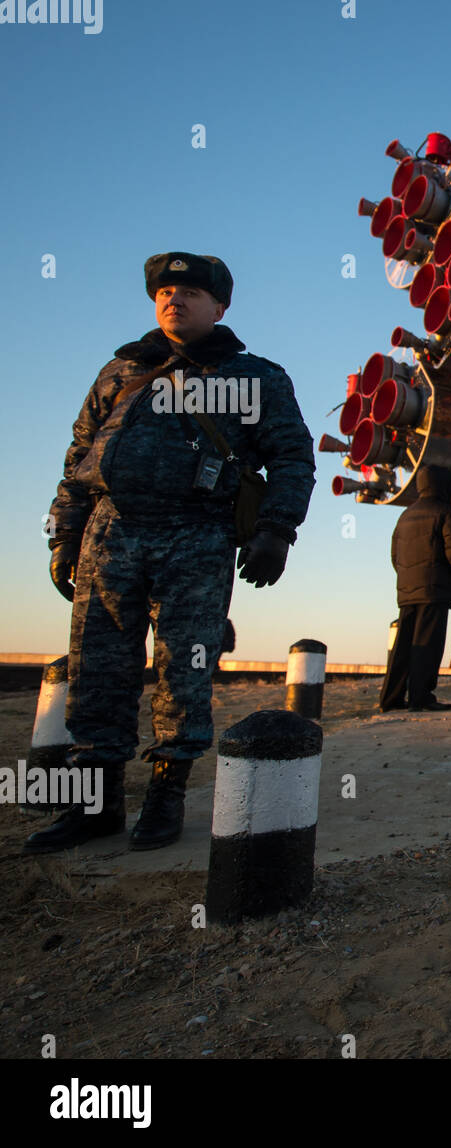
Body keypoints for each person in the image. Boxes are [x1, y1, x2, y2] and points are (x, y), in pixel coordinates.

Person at [28, 252, 314, 854]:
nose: (172, 299)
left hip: (197, 533)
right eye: (163, 290)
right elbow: (78, 459)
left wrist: (276, 530)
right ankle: (94, 805)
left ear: (220, 307)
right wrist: (64, 535)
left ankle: (165, 798)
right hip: (110, 533)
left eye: (187, 291)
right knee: (96, 670)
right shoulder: (121, 371)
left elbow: (291, 456)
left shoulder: (255, 378)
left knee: (183, 671)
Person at [380, 465, 451, 712]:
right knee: (428, 645)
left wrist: (407, 578)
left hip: (408, 589)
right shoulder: (445, 512)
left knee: (403, 646)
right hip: (435, 590)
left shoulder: (405, 515)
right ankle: (421, 697)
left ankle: (390, 698)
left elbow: (395, 555)